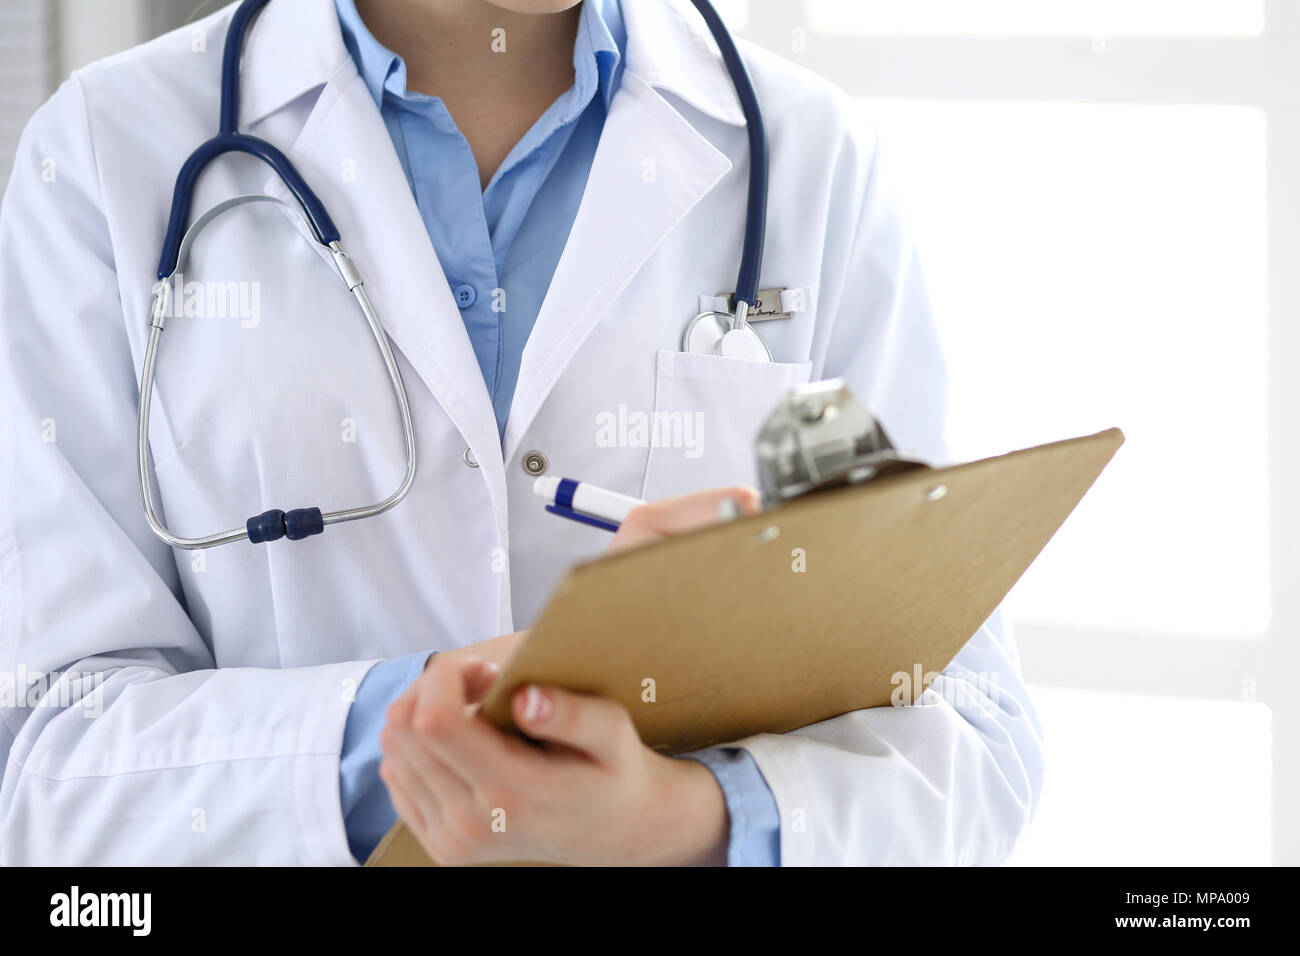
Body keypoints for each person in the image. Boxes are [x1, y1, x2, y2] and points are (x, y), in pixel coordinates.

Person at [0, 0, 1044, 866]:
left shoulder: (813, 159)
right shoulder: (102, 155)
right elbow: (44, 767)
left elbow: (966, 730)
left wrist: (687, 821)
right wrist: (409, 733)